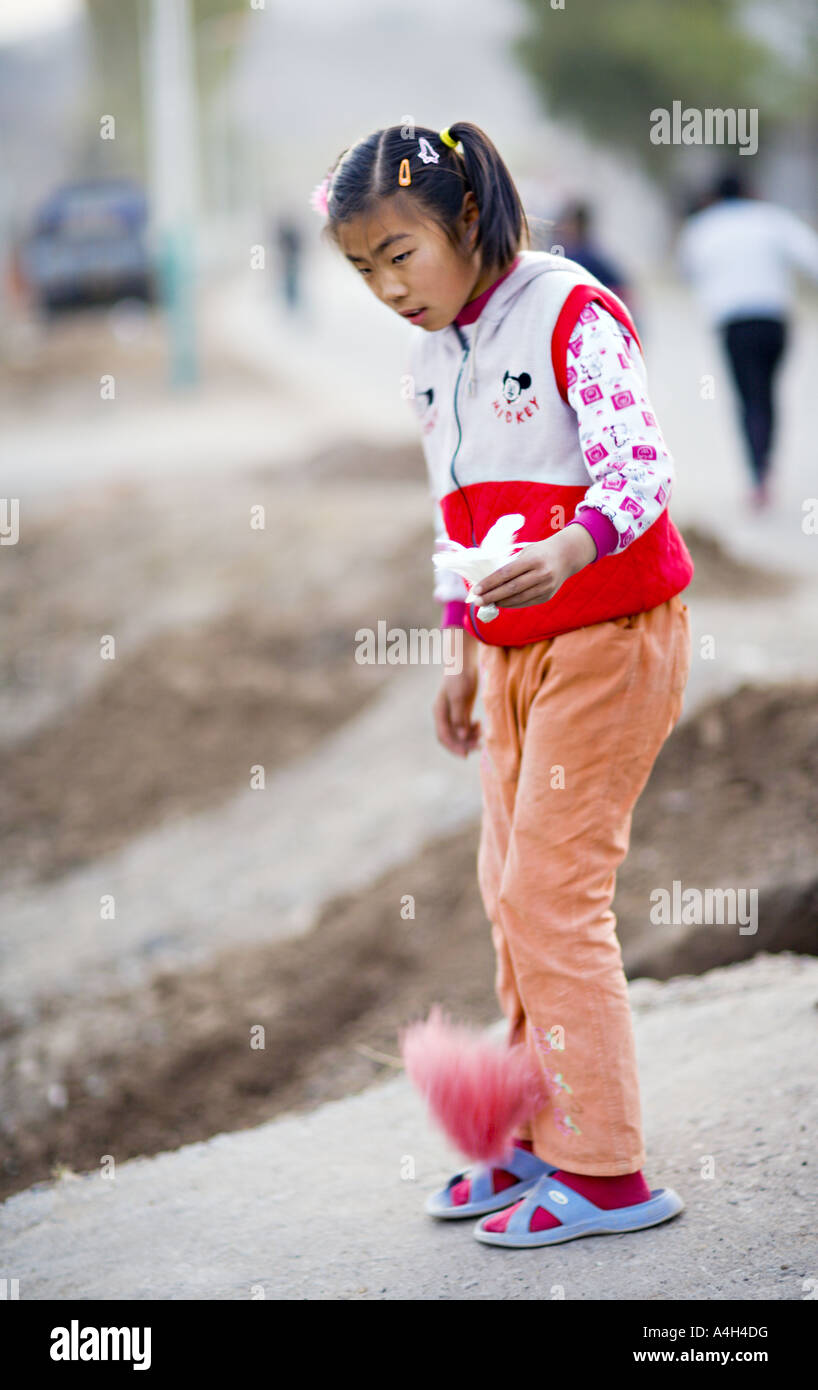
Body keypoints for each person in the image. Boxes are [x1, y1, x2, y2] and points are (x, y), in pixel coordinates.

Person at [310, 121, 694, 1249]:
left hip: (611, 634)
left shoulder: (568, 308)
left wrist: (576, 547)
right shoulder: (431, 358)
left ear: (466, 221)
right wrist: (461, 648)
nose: (386, 288)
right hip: (512, 653)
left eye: (399, 255)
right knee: (504, 889)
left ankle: (606, 1170)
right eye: (361, 269)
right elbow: (459, 523)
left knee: (551, 896)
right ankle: (531, 1133)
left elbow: (641, 462)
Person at [677, 171, 818, 510]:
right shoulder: (772, 220)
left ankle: (758, 474)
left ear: (713, 196)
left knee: (748, 397)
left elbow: (687, 271)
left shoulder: (702, 228)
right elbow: (811, 258)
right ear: (750, 191)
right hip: (774, 321)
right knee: (767, 394)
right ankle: (765, 464)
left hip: (735, 324)